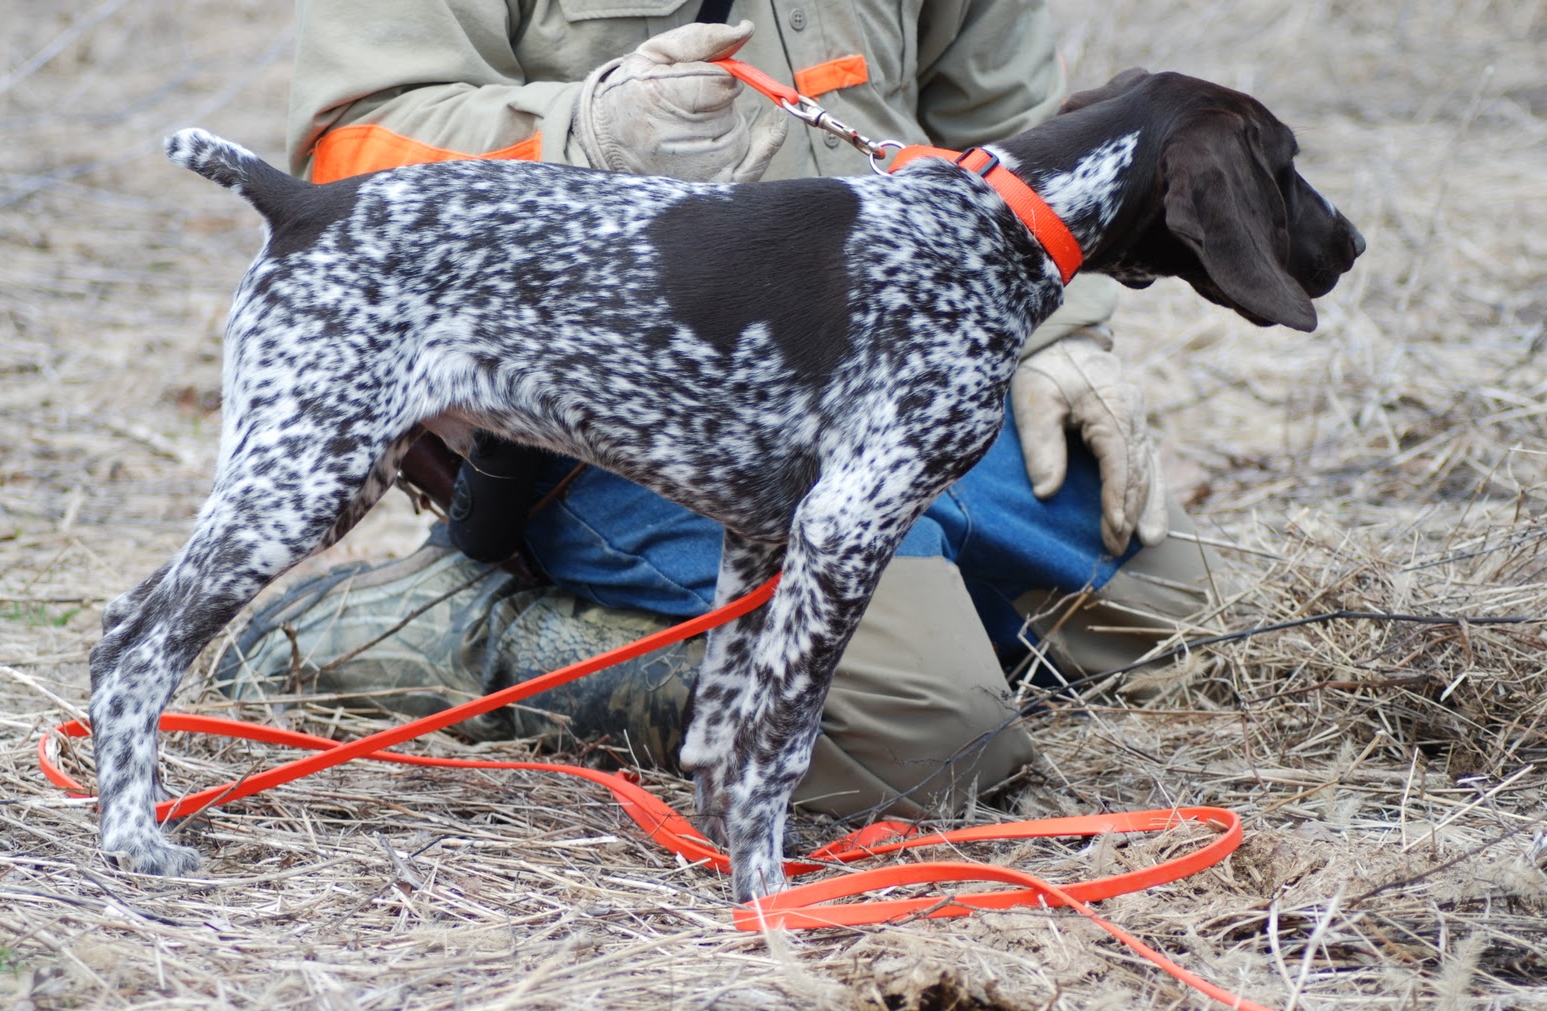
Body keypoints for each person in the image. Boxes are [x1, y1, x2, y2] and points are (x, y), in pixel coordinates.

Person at [219, 1, 1218, 825]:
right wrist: (586, 131)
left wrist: (1065, 335)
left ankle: (914, 612)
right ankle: (453, 638)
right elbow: (352, 155)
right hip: (634, 401)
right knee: (929, 732)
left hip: (911, 374)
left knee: (1188, 625)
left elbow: (1009, 117)